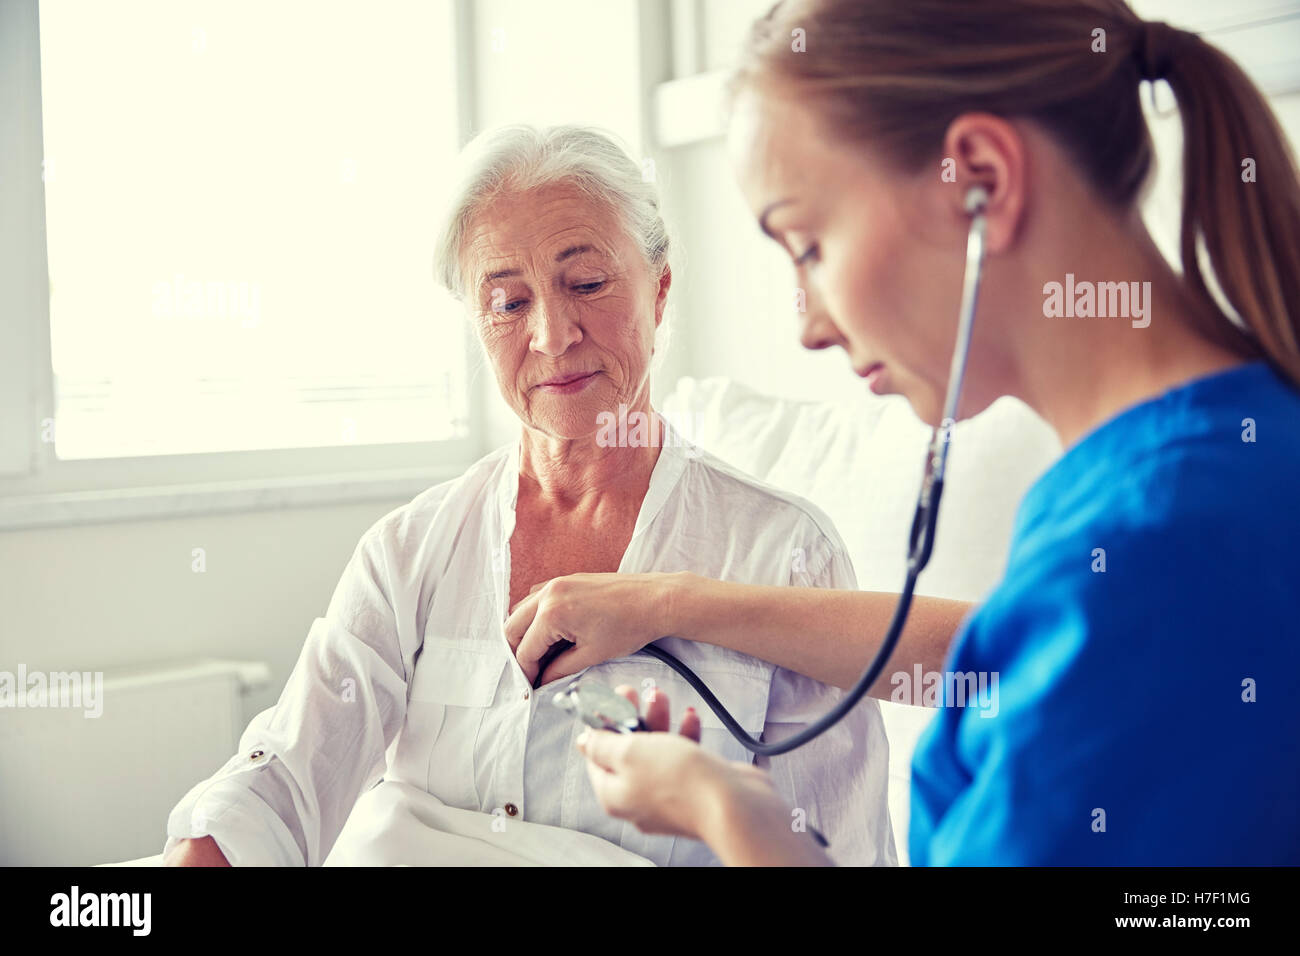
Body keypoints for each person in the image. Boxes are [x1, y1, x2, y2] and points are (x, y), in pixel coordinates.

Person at [508, 0, 1300, 864]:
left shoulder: (1151, 550)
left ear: (982, 183)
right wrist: (672, 606)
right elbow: (996, 654)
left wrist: (727, 813)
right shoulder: (1216, 466)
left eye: (807, 243)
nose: (808, 325)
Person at [162, 124, 968, 867]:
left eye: (585, 282)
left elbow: (838, 849)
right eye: (508, 301)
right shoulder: (410, 551)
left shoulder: (781, 553)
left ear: (658, 291)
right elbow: (282, 784)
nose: (552, 334)